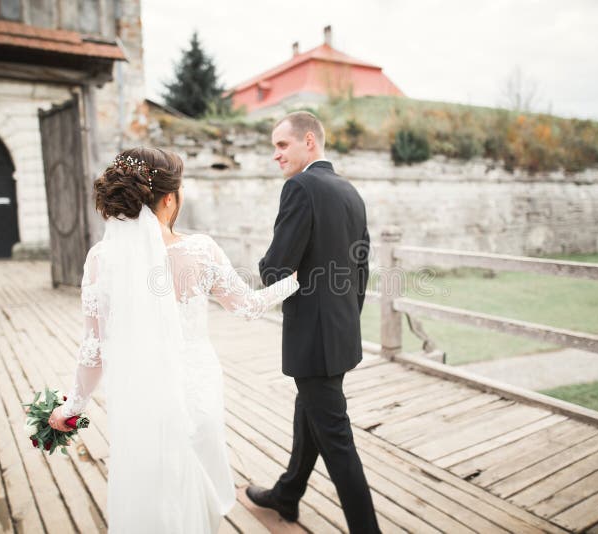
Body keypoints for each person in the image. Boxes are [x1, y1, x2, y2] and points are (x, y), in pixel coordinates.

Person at [48, 147, 299, 532]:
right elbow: (247, 306)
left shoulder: (101, 259)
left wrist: (73, 406)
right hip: (194, 389)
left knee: (149, 485)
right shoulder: (200, 250)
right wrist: (297, 279)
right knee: (195, 489)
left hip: (138, 397)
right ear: (169, 198)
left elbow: (93, 349)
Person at [247, 112, 380, 533]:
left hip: (314, 338)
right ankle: (286, 496)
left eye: (282, 146)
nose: (276, 155)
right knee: (310, 416)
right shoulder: (350, 191)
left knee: (337, 442)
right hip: (340, 334)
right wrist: (344, 323)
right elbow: (360, 272)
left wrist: (268, 266)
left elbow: (276, 269)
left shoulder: (300, 187)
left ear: (309, 141)